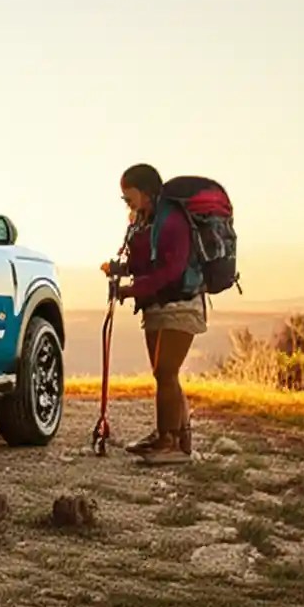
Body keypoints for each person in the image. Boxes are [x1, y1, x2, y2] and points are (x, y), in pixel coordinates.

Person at [104, 163, 204, 464]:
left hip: (182, 304)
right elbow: (147, 263)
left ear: (146, 192)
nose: (126, 201)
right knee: (165, 375)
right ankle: (177, 438)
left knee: (165, 372)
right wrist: (120, 270)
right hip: (156, 306)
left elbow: (172, 271)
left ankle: (169, 442)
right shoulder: (144, 220)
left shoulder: (172, 221)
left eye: (128, 195)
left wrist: (132, 290)